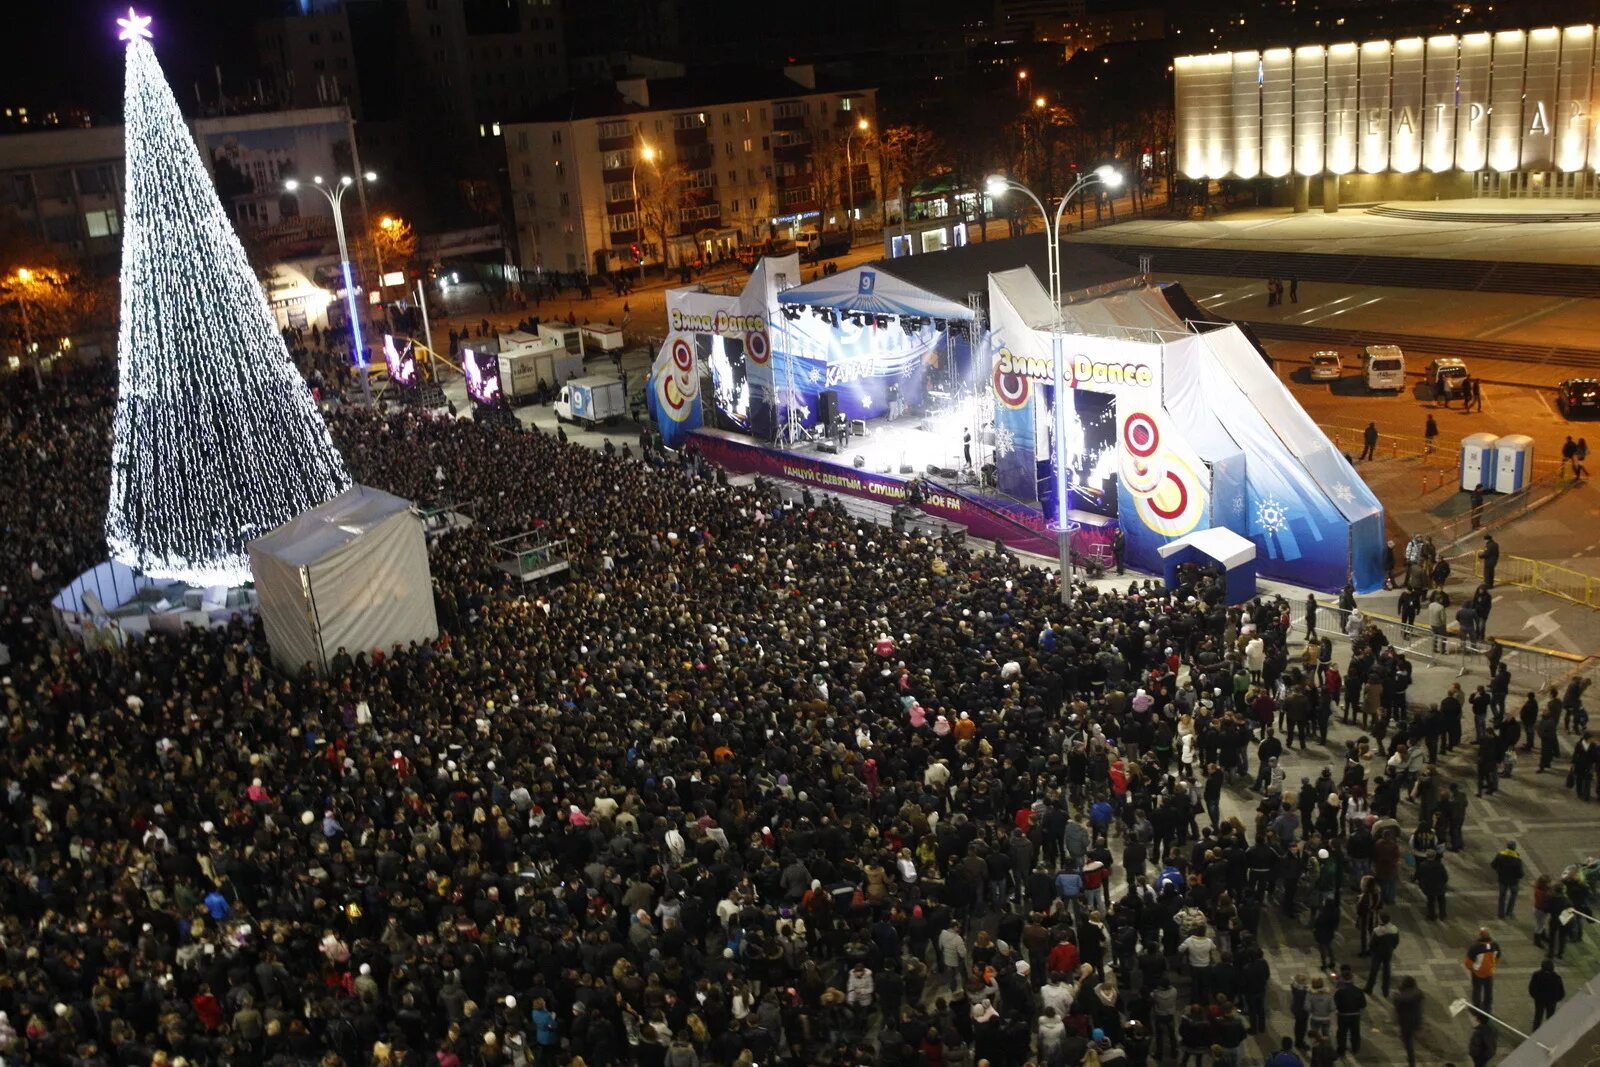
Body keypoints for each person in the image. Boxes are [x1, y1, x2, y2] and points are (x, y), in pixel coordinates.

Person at [1464, 928, 1502, 1014]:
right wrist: (1491, 966)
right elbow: (1498, 956)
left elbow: (1468, 963)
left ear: (1480, 935)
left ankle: (1476, 1009)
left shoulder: (1475, 947)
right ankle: (1488, 1009)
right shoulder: (1495, 945)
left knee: (1477, 991)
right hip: (1489, 973)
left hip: (1477, 973)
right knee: (1488, 991)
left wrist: (1473, 969)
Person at [1391, 977, 1424, 1067]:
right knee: (1410, 1038)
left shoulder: (1401, 998)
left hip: (1406, 1023)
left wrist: (1396, 995)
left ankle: (1411, 1062)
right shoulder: (1418, 993)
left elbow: (1397, 1006)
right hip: (1415, 1020)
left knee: (1408, 1043)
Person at [1365, 913, 1399, 998]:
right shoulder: (1394, 929)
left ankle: (1369, 988)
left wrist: (1372, 951)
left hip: (1378, 953)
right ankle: (1385, 991)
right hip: (1388, 952)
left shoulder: (1377, 931)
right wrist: (1392, 948)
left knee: (1374, 971)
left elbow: (1372, 943)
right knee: (1386, 971)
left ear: (1381, 920)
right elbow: (1396, 941)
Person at [1491, 841, 1524, 919]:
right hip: (1513, 881)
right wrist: (1519, 876)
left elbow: (1493, 865)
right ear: (1514, 848)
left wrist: (1499, 871)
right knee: (1513, 895)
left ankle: (1501, 914)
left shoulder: (1500, 855)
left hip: (1502, 879)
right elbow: (1520, 873)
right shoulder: (1517, 859)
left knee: (1502, 896)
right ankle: (1509, 912)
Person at [1529, 959, 1565, 1028]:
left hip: (1539, 1000)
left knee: (1538, 1016)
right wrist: (1556, 999)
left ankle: (1536, 1030)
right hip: (1551, 1001)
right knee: (1550, 1018)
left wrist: (1536, 996)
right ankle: (1549, 1030)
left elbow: (1532, 988)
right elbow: (1561, 991)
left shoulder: (1536, 975)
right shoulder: (1556, 977)